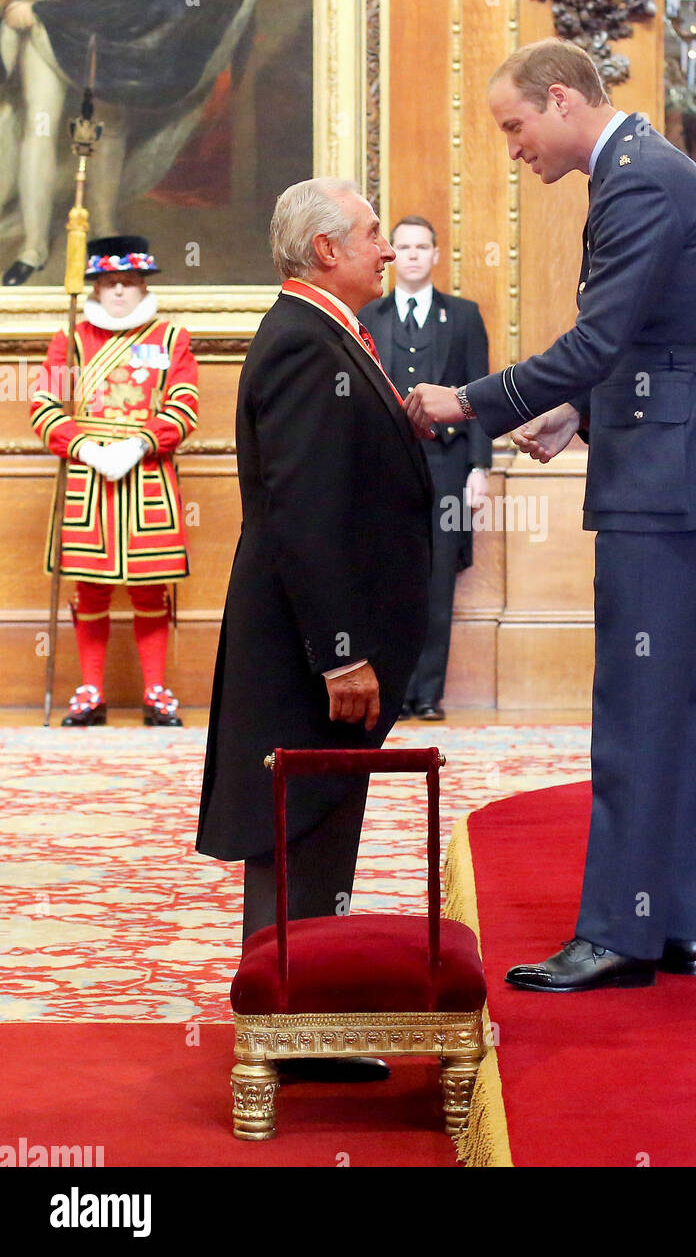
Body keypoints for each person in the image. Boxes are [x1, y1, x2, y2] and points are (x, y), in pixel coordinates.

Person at [406, 38, 696, 992]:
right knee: (670, 712)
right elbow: (658, 340)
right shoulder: (645, 166)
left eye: (516, 126)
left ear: (561, 100)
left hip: (666, 477)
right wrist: (580, 411)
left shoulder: (636, 180)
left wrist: (471, 401)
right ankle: (679, 925)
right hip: (671, 459)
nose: (513, 148)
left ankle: (617, 936)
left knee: (637, 711)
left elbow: (600, 336)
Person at [196, 178, 432, 948]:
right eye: (371, 233)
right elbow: (304, 517)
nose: (388, 248)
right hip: (311, 656)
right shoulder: (304, 341)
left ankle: (307, 1019)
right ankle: (288, 1027)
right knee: (298, 831)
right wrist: (341, 657)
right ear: (326, 249)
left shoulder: (326, 332)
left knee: (318, 826)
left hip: (318, 647)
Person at [0, 0, 264, 284]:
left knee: (110, 123)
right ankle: (34, 245)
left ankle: (105, 232)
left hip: (118, 8)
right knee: (40, 124)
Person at [29, 234, 198, 725]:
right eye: (109, 282)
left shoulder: (171, 338)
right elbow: (43, 405)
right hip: (89, 481)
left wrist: (141, 443)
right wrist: (84, 448)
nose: (120, 291)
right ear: (96, 288)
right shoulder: (70, 338)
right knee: (89, 590)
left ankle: (157, 693)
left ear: (143, 284)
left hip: (148, 475)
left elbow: (185, 404)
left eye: (128, 281)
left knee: (151, 589)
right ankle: (90, 692)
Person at [359, 215, 491, 720]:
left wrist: (480, 468)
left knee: (438, 581)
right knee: (387, 577)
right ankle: (395, 689)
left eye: (422, 247)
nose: (412, 255)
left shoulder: (462, 316)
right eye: (403, 247)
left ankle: (428, 694)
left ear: (436, 255)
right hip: (385, 468)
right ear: (391, 254)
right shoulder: (368, 314)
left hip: (448, 467)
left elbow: (479, 393)